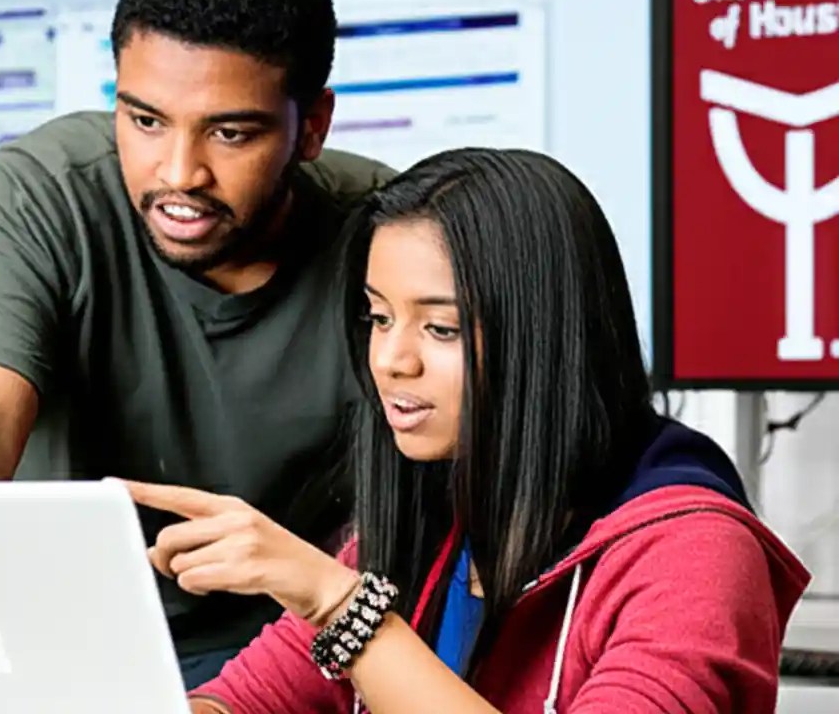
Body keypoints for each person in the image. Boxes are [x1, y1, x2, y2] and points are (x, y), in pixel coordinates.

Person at [122, 147, 812, 713]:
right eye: (379, 317)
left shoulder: (696, 556)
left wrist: (340, 605)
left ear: (547, 340)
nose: (392, 360)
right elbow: (248, 701)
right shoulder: (429, 514)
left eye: (441, 328)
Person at [0, 0, 394, 688]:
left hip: (292, 659)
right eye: (146, 121)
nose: (179, 173)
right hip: (56, 648)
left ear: (311, 126)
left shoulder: (388, 238)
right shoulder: (43, 194)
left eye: (230, 133)